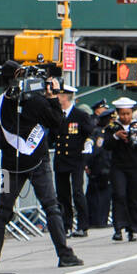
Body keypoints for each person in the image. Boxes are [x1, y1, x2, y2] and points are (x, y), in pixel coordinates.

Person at [0, 63, 82, 271]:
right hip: (38, 162)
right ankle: (64, 254)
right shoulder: (35, 101)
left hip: (10, 166)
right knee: (51, 207)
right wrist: (53, 98)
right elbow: (59, 124)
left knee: (2, 211)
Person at [51, 82, 95, 238]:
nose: (57, 99)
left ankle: (83, 225)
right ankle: (66, 225)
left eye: (59, 96)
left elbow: (90, 133)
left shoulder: (80, 115)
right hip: (61, 159)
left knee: (77, 192)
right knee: (63, 195)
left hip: (76, 159)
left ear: (65, 97)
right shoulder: (56, 114)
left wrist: (87, 147)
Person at [106, 97, 137, 242]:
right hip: (118, 167)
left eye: (128, 114)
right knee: (119, 195)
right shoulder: (112, 128)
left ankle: (133, 229)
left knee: (134, 197)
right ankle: (118, 227)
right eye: (122, 114)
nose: (125, 117)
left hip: (135, 166)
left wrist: (136, 140)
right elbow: (105, 145)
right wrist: (116, 137)